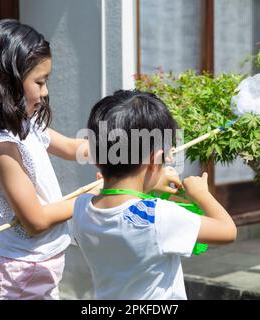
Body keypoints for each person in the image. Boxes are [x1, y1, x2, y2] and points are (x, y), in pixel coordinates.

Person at [0, 19, 94, 300]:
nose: (45, 92)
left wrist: (125, 150)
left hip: (42, 265)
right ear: (7, 82)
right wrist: (93, 195)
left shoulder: (26, 125)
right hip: (19, 276)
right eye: (39, 82)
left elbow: (72, 148)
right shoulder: (0, 146)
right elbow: (36, 220)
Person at [72, 90, 237, 299]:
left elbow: (119, 206)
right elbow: (227, 231)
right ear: (154, 159)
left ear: (96, 156)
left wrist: (148, 181)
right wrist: (202, 194)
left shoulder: (81, 207)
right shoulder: (158, 216)